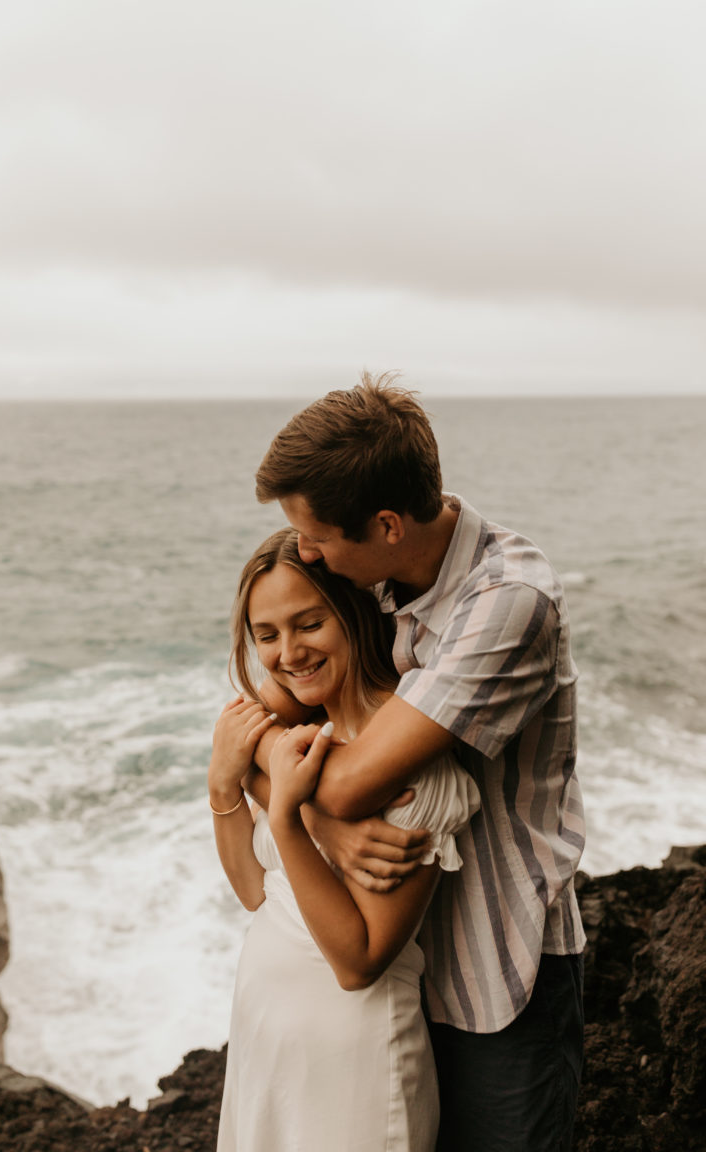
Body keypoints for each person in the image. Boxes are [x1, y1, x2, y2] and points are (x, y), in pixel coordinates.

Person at [249, 372, 586, 1152]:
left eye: (317, 538)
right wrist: (309, 812)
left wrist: (290, 792)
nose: (305, 553)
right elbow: (259, 712)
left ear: (388, 524)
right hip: (392, 963)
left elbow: (356, 782)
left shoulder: (508, 603)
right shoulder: (367, 572)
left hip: (496, 969)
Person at [209, 527, 480, 1152]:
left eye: (309, 624)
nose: (288, 653)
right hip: (265, 1039)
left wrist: (284, 817)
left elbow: (358, 962)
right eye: (266, 635)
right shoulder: (304, 736)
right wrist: (223, 782)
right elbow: (255, 892)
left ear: (353, 615)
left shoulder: (413, 770)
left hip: (352, 1057)